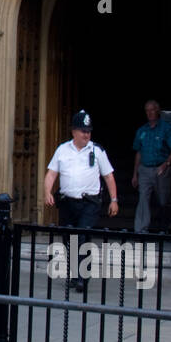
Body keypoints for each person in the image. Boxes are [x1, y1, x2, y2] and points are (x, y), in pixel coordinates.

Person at [43, 110, 119, 292]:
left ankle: (82, 278)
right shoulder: (62, 150)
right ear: (73, 132)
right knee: (69, 238)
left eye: (88, 131)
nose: (86, 134)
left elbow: (108, 176)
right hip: (68, 203)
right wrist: (47, 192)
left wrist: (114, 199)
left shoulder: (97, 151)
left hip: (89, 203)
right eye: (83, 131)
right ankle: (74, 274)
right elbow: (52, 173)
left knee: (82, 236)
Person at [132, 100, 171, 233]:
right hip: (145, 169)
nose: (149, 113)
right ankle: (141, 230)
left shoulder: (166, 128)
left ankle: (165, 227)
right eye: (147, 110)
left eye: (152, 110)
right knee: (143, 198)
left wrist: (166, 164)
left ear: (157, 111)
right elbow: (139, 152)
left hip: (161, 169)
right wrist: (135, 173)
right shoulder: (142, 130)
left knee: (163, 200)